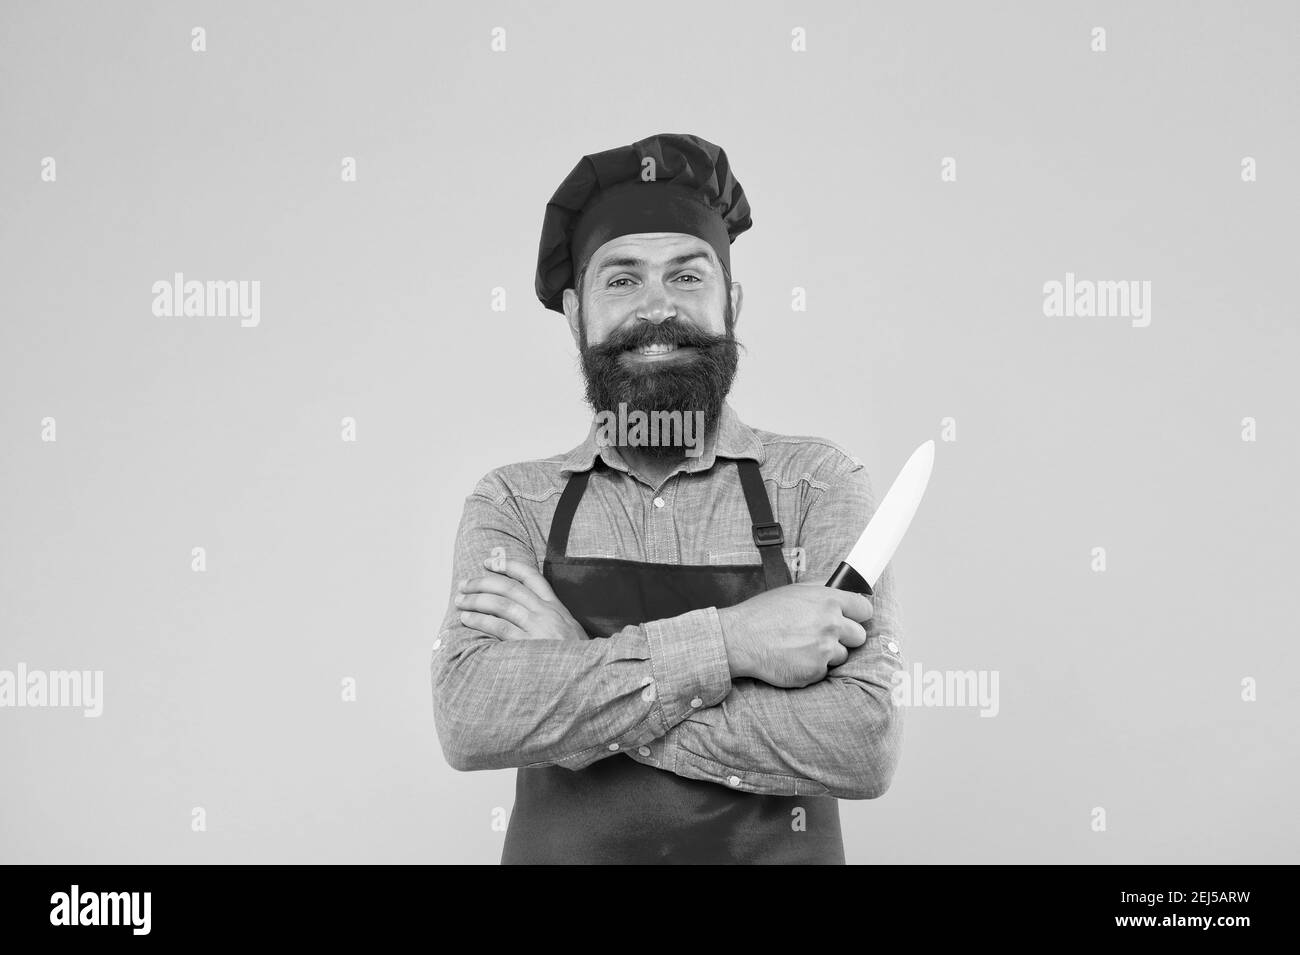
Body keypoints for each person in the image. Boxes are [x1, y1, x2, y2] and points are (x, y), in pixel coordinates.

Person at [431, 133, 905, 864]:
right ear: (573, 311)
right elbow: (472, 717)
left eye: (687, 277)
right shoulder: (514, 502)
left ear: (731, 303)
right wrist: (736, 641)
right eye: (621, 280)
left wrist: (580, 672)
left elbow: (860, 742)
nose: (657, 309)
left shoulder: (817, 485)